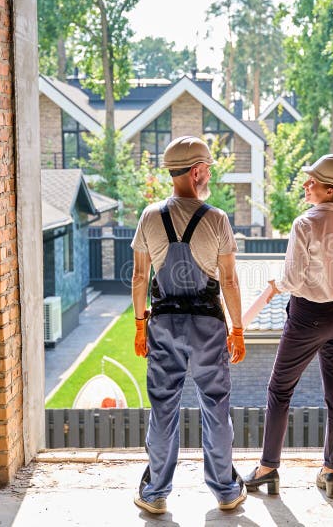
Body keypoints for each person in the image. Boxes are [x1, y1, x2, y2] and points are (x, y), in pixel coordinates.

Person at [242, 154, 333, 498]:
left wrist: (274, 282)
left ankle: (268, 469)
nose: (306, 185)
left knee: (279, 390)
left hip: (307, 317)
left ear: (330, 190)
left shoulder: (305, 223)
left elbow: (291, 277)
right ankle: (331, 471)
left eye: (312, 181)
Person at [131, 136, 247, 514]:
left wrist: (138, 325)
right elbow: (229, 281)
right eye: (208, 169)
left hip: (163, 322)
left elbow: (138, 277)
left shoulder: (150, 216)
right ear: (196, 172)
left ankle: (155, 494)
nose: (209, 174)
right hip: (207, 325)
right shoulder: (216, 219)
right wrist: (238, 329)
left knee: (164, 406)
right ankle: (227, 491)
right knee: (215, 405)